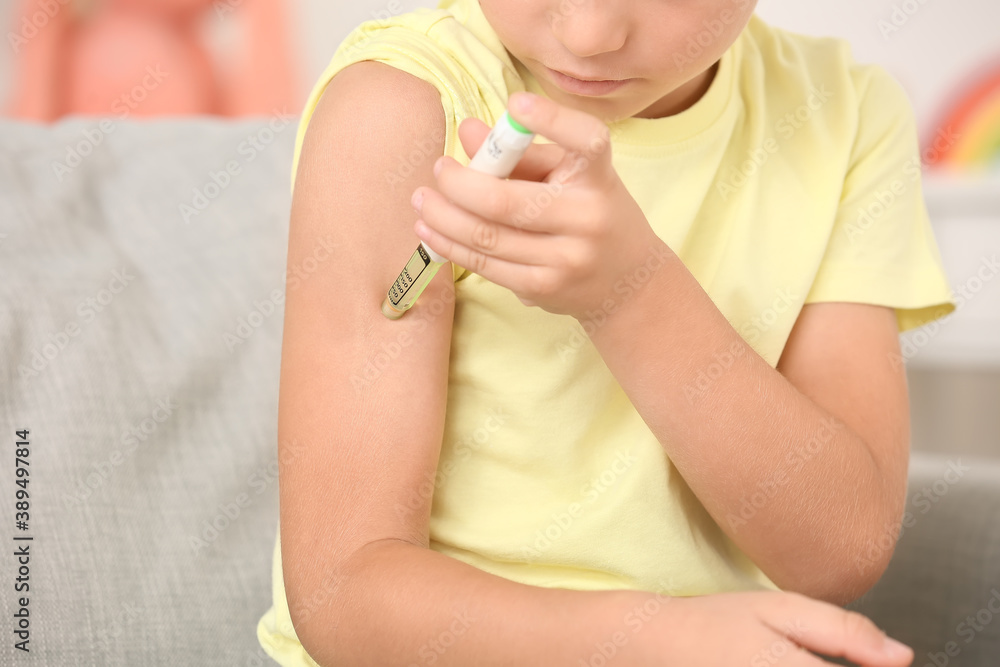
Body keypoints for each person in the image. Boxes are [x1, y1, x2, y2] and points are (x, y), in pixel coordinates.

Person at [257, 0, 956, 664]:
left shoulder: (845, 115)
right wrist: (661, 645)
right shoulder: (403, 106)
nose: (590, 34)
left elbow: (839, 548)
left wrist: (632, 292)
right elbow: (341, 591)